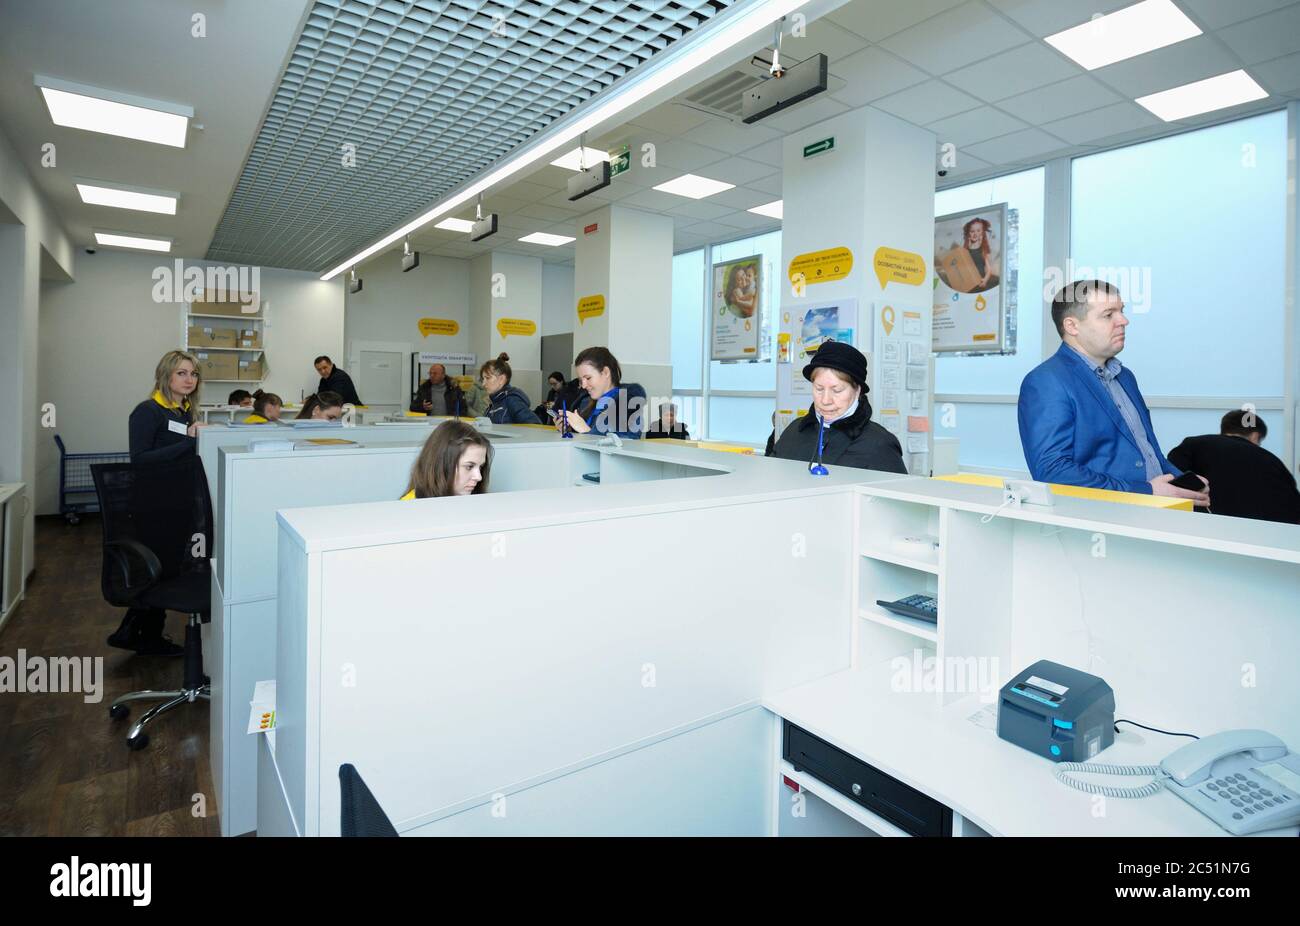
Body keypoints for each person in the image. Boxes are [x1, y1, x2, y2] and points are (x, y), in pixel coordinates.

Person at [1018, 280, 1209, 505]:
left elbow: (1146, 452)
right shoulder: (1046, 381)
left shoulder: (1125, 376)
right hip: (1103, 520)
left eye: (1122, 311)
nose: (1123, 321)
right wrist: (1146, 491)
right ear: (1072, 326)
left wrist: (1180, 481)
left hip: (1155, 513)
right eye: (1108, 315)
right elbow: (1053, 471)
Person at [115, 349, 208, 655]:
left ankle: (134, 631)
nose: (189, 379)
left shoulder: (183, 412)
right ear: (165, 374)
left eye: (193, 374)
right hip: (153, 504)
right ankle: (146, 637)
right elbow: (139, 459)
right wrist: (188, 443)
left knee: (166, 569)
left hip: (177, 501)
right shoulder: (148, 411)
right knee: (158, 570)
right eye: (182, 373)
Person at [767, 340, 906, 473]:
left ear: (857, 391)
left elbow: (895, 496)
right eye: (819, 389)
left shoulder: (879, 444)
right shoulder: (794, 431)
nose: (826, 400)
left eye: (837, 390)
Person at [1167, 410, 1300, 524]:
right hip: (1252, 539)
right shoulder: (1270, 461)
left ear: (1225, 429)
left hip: (1197, 529)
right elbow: (1291, 509)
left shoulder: (1194, 444)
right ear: (1255, 435)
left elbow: (1171, 477)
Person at [561, 347, 646, 439]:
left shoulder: (627, 403)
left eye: (588, 378)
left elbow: (625, 445)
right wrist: (570, 429)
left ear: (605, 372)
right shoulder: (586, 402)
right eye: (581, 380)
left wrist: (585, 430)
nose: (583, 385)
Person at [400, 420, 492, 499]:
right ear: (441, 464)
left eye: (480, 467)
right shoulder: (407, 508)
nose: (479, 477)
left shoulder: (472, 503)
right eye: (469, 467)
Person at [481, 353, 541, 425]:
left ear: (501, 379)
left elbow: (535, 426)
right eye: (483, 379)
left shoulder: (512, 400)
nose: (483, 384)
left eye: (487, 378)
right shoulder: (493, 403)